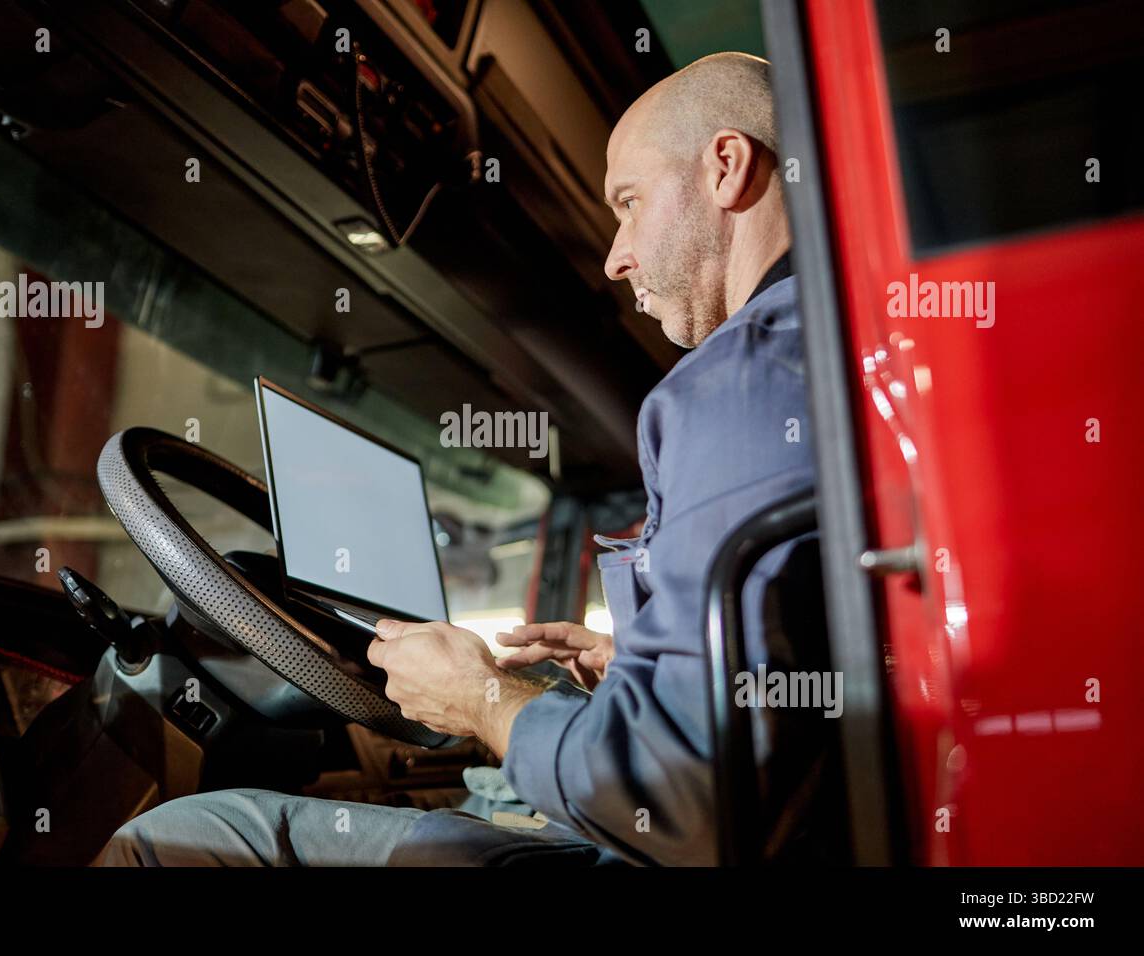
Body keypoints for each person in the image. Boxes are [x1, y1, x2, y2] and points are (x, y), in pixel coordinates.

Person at [101, 51, 823, 868]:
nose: (617, 256)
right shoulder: (819, 361)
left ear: (726, 166)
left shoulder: (739, 378)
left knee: (170, 839)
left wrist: (481, 697)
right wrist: (642, 674)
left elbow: (686, 803)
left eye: (629, 202)